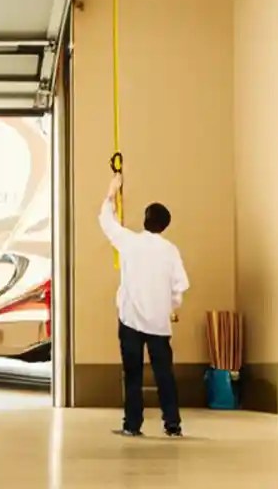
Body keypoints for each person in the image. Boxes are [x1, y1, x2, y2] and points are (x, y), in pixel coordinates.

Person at [98, 172, 189, 438]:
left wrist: (112, 189)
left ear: (145, 220)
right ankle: (172, 425)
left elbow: (107, 222)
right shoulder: (170, 251)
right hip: (159, 324)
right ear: (165, 225)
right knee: (164, 375)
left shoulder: (130, 242)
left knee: (133, 374)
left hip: (130, 319)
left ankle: (132, 425)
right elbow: (178, 287)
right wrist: (172, 308)